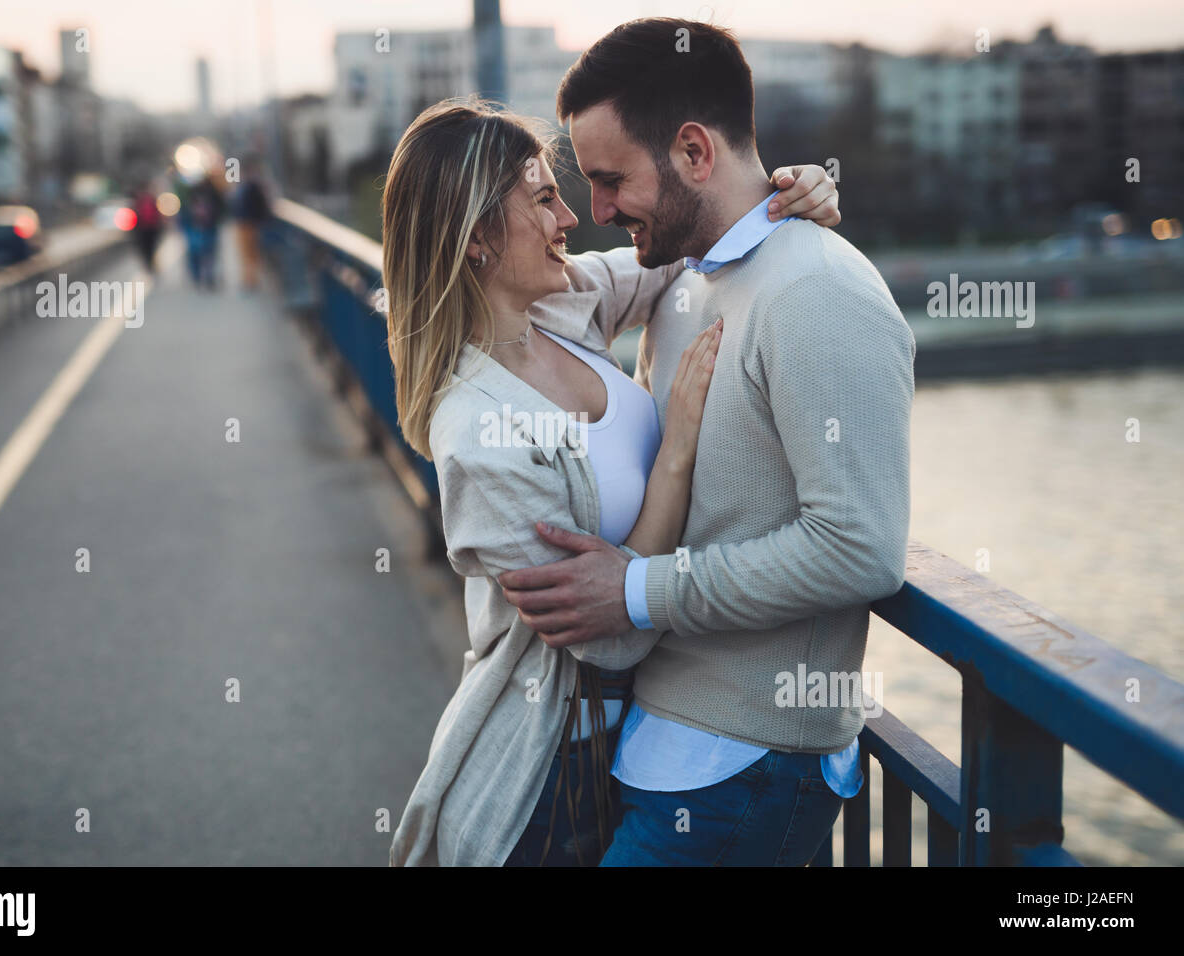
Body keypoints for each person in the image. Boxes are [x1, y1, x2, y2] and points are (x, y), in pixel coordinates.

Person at [495, 19, 916, 866]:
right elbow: (490, 289)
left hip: (746, 764)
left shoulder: (821, 295)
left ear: (693, 152)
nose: (597, 211)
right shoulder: (686, 275)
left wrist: (640, 590)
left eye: (611, 181)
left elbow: (861, 549)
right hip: (662, 740)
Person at [382, 96, 844, 867]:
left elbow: (684, 247)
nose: (569, 217)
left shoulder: (560, 304)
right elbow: (610, 645)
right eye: (540, 199)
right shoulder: (480, 438)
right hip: (555, 777)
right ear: (475, 240)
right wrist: (677, 455)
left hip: (635, 742)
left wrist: (785, 197)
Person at [232, 159, 271, 291]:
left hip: (249, 224)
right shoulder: (249, 186)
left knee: (250, 254)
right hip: (246, 223)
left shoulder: (251, 187)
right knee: (248, 254)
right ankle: (249, 280)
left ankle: (251, 281)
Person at [131, 183, 162, 273]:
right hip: (148, 229)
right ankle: (150, 263)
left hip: (146, 229)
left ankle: (149, 264)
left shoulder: (139, 201)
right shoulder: (150, 199)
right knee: (148, 248)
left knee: (147, 248)